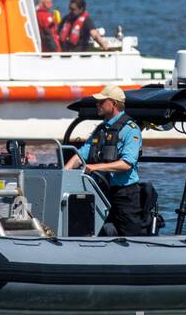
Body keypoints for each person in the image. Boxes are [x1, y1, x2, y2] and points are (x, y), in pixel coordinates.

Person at [64, 84, 149, 235]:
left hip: (125, 195)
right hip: (100, 191)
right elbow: (80, 154)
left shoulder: (131, 129)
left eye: (102, 102)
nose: (98, 104)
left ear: (114, 104)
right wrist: (65, 173)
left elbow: (126, 164)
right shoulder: (101, 129)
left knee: (130, 235)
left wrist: (95, 167)